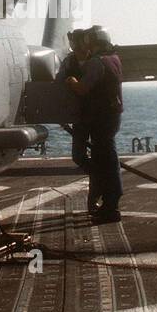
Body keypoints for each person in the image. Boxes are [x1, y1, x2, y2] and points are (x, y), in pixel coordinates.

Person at [67, 25, 123, 223]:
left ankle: (110, 208)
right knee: (108, 161)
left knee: (105, 163)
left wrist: (71, 81)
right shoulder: (114, 59)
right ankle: (110, 203)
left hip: (100, 119)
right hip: (112, 117)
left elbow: (82, 89)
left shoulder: (96, 63)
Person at [57, 30, 96, 210]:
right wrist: (61, 113)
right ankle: (99, 177)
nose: (72, 45)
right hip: (78, 115)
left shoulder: (96, 61)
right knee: (78, 156)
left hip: (97, 115)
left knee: (99, 155)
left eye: (74, 41)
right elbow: (58, 85)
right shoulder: (68, 62)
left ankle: (95, 194)